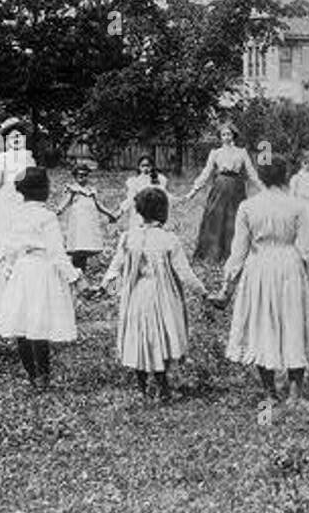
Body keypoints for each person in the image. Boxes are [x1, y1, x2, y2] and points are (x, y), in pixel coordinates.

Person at [217, 153, 309, 405]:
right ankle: (294, 393)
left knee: (262, 324)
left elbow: (238, 252)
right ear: (286, 177)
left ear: (261, 177)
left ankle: (270, 393)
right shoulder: (296, 206)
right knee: (294, 323)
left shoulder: (248, 206)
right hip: (290, 266)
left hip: (260, 268)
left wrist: (227, 290)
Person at [98, 187, 207, 402]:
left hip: (137, 294)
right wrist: (204, 293)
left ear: (139, 211)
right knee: (160, 336)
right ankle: (162, 385)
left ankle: (142, 387)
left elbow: (114, 269)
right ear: (163, 211)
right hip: (161, 294)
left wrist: (107, 290)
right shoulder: (168, 239)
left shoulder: (129, 237)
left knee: (139, 335)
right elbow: (184, 273)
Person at [0, 167, 80, 389]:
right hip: (42, 271)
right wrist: (73, 276)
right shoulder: (47, 216)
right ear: (44, 190)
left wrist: (8, 270)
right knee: (38, 323)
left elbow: (10, 247)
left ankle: (33, 374)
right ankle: (42, 375)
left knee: (22, 324)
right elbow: (56, 252)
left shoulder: (17, 215)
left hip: (23, 270)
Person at [186, 124, 261, 263]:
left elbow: (251, 173)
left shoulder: (242, 152)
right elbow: (206, 173)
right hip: (220, 187)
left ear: (234, 135)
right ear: (220, 137)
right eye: (223, 135)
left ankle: (235, 254)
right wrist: (193, 192)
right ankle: (212, 254)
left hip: (236, 188)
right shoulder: (215, 153)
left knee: (236, 219)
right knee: (215, 217)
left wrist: (265, 190)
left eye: (229, 134)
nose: (226, 137)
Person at [56, 159, 117, 271]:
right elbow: (66, 201)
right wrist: (58, 210)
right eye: (79, 175)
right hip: (78, 222)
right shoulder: (73, 189)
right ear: (75, 176)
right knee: (78, 243)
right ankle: (76, 266)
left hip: (89, 221)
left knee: (87, 243)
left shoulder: (91, 190)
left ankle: (83, 266)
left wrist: (110, 214)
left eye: (84, 175)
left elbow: (99, 205)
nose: (82, 178)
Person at [0, 117, 36, 244]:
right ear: (7, 140)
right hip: (7, 195)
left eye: (19, 136)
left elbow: (33, 177)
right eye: (13, 137)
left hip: (23, 195)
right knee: (5, 226)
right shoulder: (2, 157)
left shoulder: (28, 157)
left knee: (23, 228)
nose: (17, 139)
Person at [119, 155, 170, 231]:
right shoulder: (134, 182)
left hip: (154, 213)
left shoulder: (159, 180)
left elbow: (164, 197)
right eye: (143, 166)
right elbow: (130, 199)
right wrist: (120, 212)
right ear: (139, 167)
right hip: (139, 212)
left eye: (148, 166)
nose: (145, 168)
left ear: (152, 167)